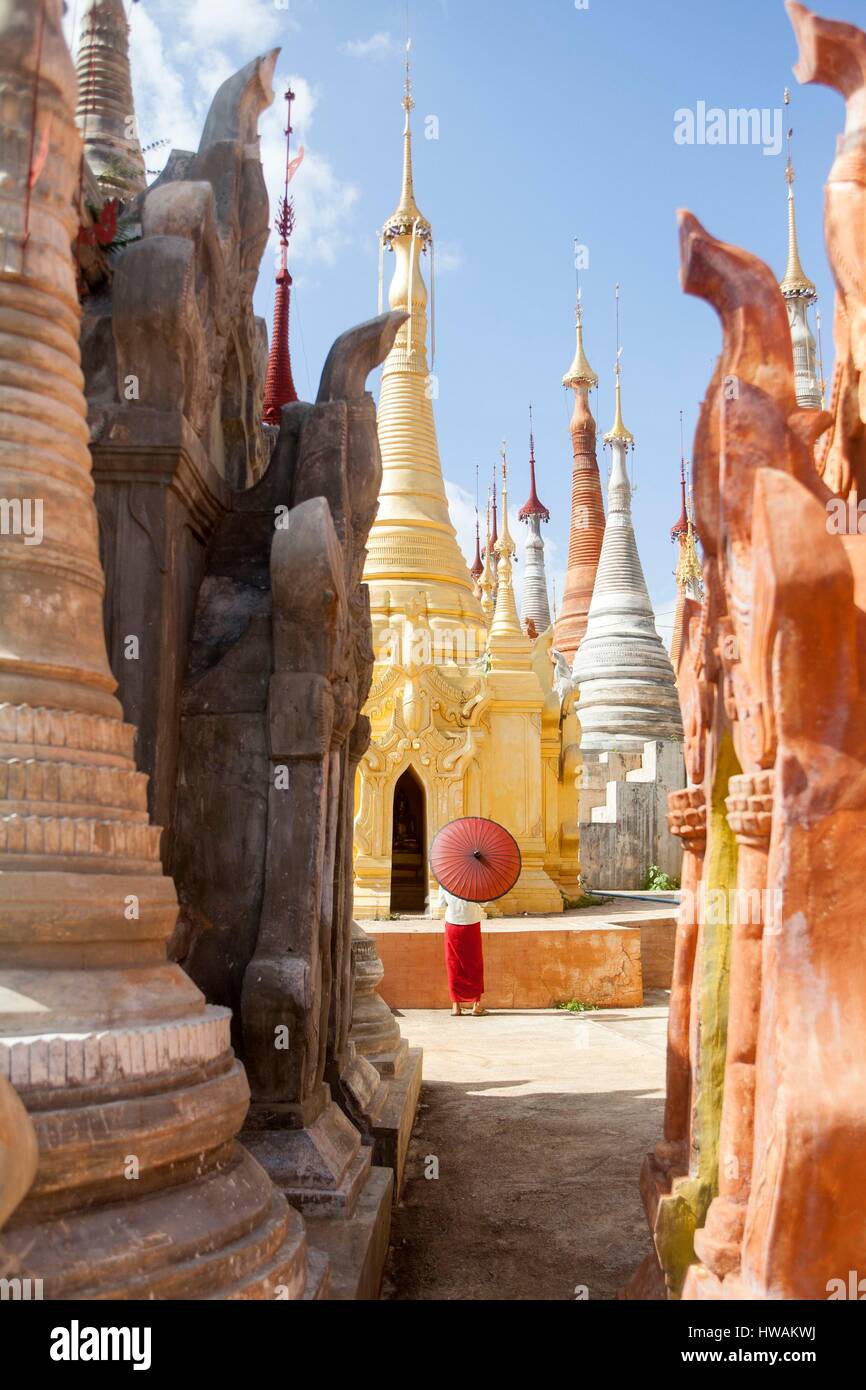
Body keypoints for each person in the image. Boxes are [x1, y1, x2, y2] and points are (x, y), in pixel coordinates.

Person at [438, 884, 486, 1016]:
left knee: (453, 963)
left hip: (453, 924)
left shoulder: (445, 879)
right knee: (474, 963)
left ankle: (456, 1006)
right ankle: (476, 1005)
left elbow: (441, 903)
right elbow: (485, 902)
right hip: (471, 924)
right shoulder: (476, 880)